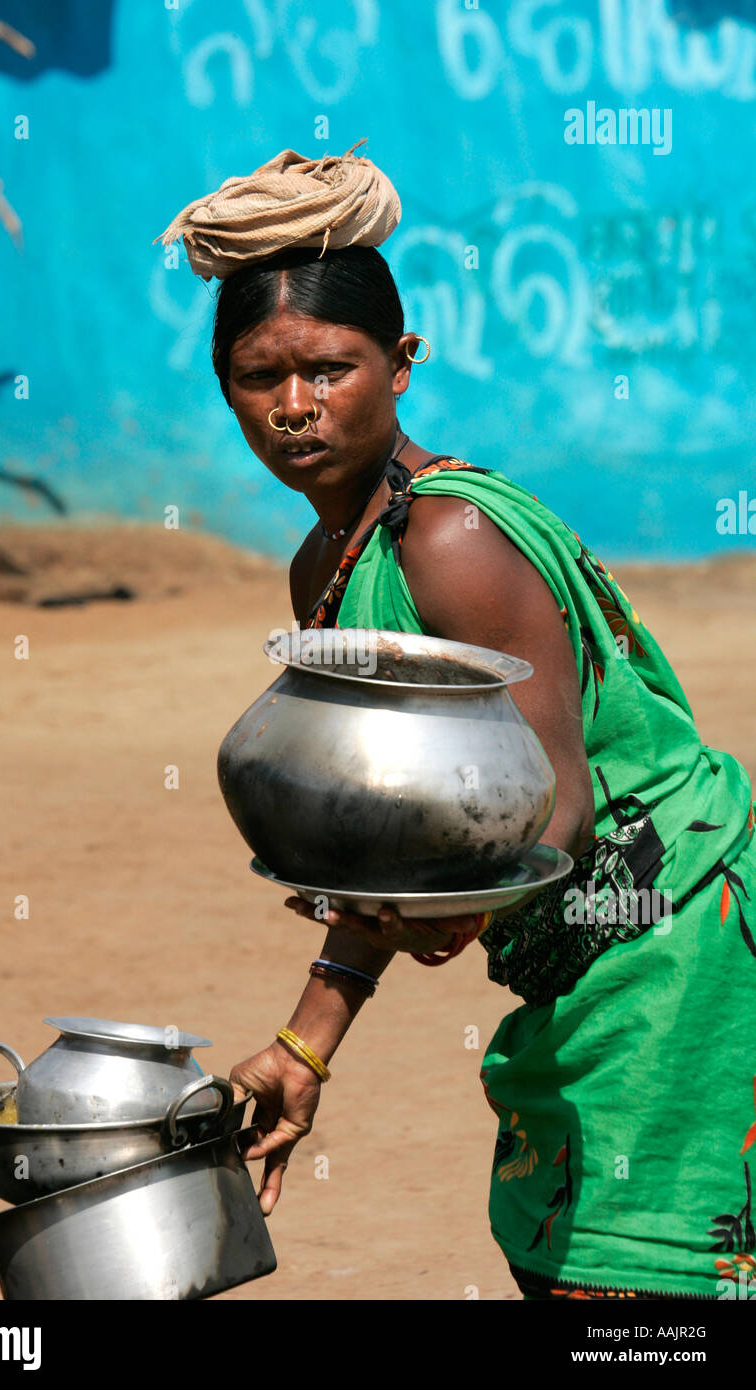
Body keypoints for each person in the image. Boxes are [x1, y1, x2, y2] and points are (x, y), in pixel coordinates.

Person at [154, 141, 756, 1300]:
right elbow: (392, 822)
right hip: (567, 955)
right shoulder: (321, 568)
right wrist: (302, 1047)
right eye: (254, 377)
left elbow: (557, 803)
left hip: (671, 942)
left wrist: (453, 906)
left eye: (328, 369)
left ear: (400, 365)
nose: (292, 407)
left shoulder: (449, 539)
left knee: (623, 1281)